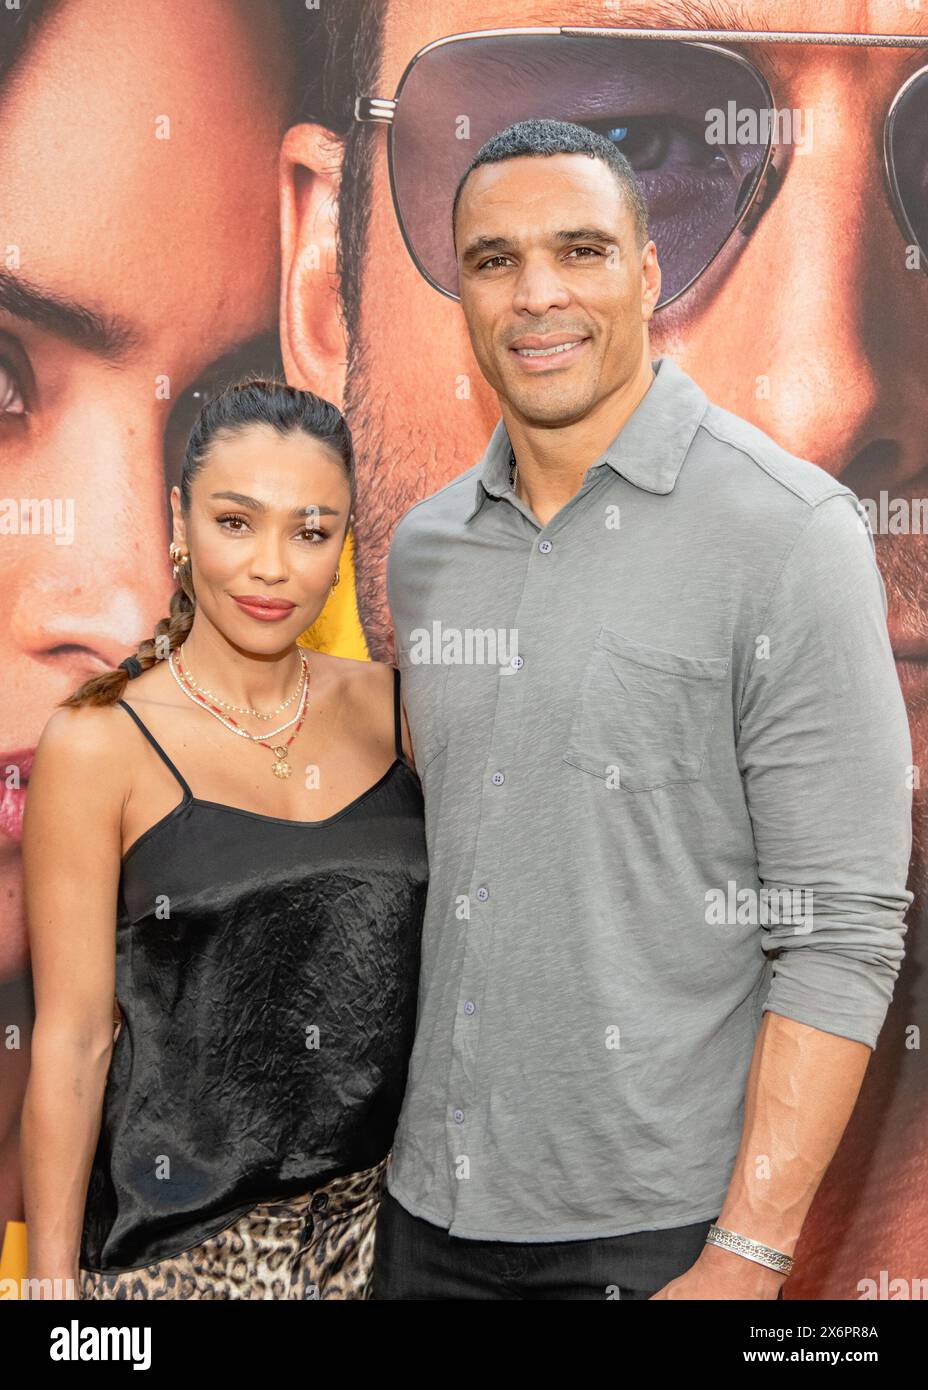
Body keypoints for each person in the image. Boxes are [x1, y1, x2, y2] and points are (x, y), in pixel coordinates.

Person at [371, 119, 914, 1300]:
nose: (537, 296)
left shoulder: (788, 534)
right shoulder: (422, 554)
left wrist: (747, 1255)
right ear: (457, 288)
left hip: (659, 1245)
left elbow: (840, 929)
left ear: (649, 272)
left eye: (581, 250)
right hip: (422, 1219)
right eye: (494, 259)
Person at [20, 378, 427, 1299]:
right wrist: (49, 1297)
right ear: (180, 517)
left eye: (312, 530)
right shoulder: (98, 742)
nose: (272, 567)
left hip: (388, 1243)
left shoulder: (398, 709)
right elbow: (75, 1039)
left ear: (344, 542)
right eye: (237, 522)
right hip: (177, 1261)